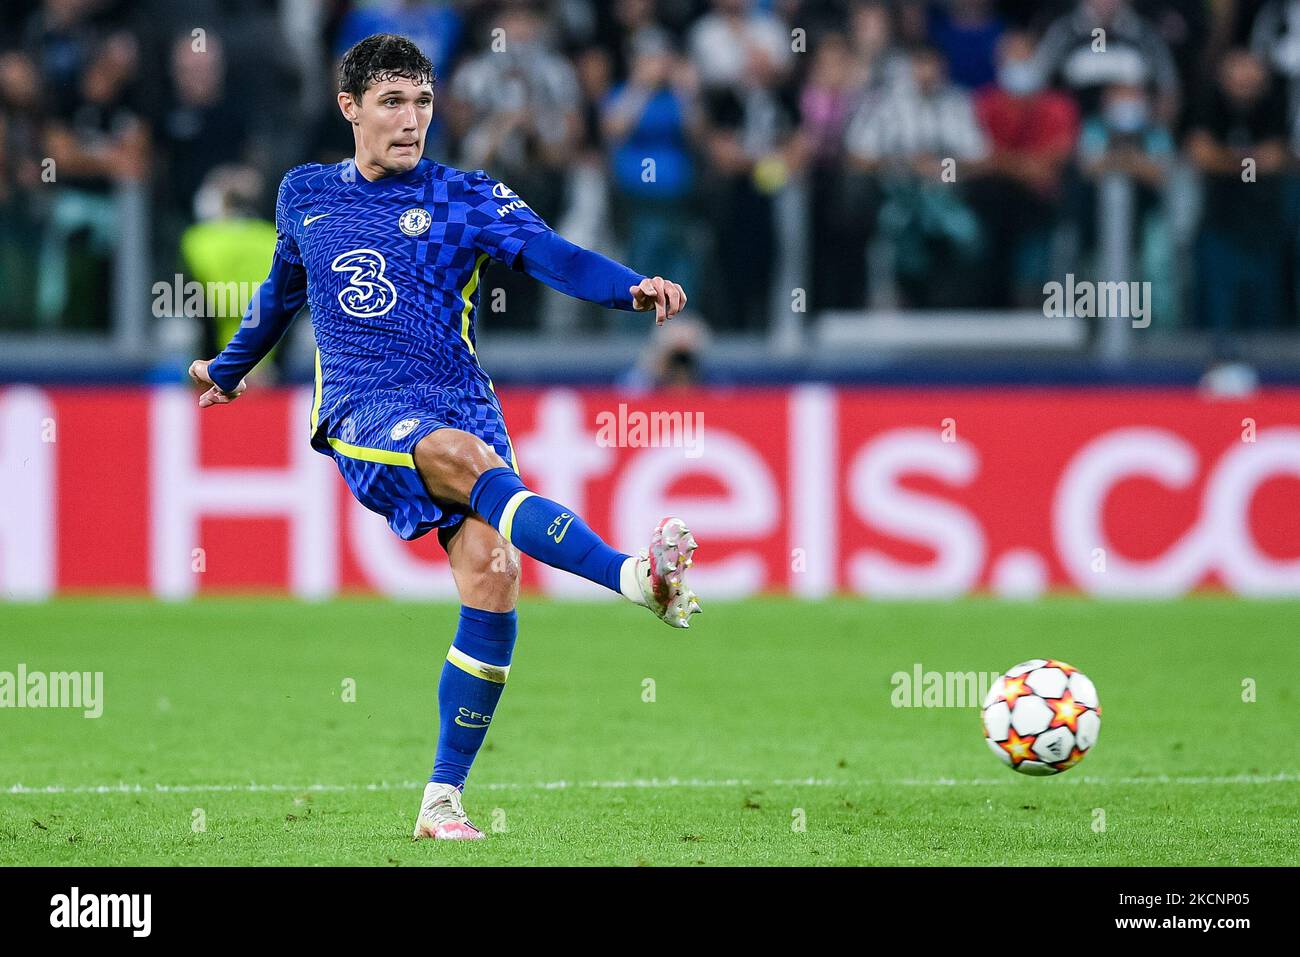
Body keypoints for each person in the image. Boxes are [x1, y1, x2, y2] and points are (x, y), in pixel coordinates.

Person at [186, 35, 700, 842]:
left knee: (494, 576)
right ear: (349, 106)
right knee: (472, 465)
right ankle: (634, 578)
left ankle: (440, 801)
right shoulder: (306, 193)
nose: (411, 119)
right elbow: (280, 291)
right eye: (392, 102)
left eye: (422, 102)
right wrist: (229, 367)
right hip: (365, 406)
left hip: (460, 397)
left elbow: (550, 254)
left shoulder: (467, 195)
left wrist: (626, 287)